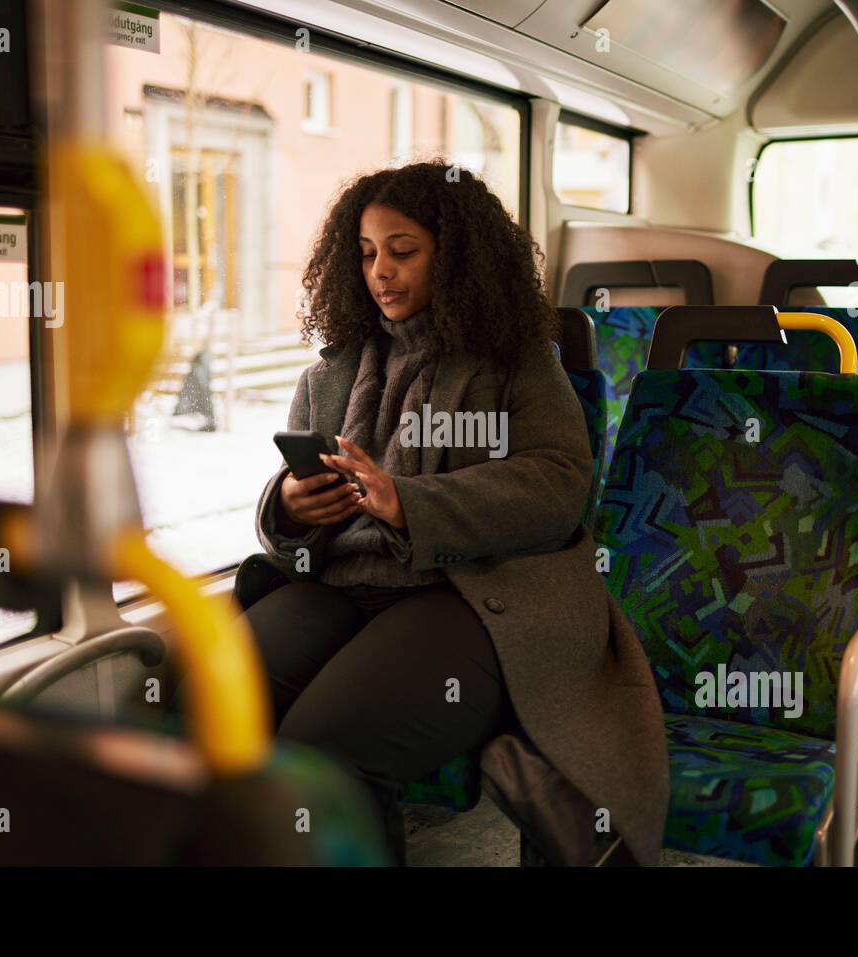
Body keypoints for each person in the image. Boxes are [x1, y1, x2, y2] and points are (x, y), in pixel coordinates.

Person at [248, 160, 667, 865]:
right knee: (212, 702)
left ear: (456, 254)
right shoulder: (328, 374)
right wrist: (290, 508)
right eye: (367, 253)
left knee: (326, 753)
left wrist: (407, 502)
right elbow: (291, 512)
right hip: (341, 584)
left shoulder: (517, 360)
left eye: (403, 250)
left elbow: (556, 485)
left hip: (472, 595)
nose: (381, 270)